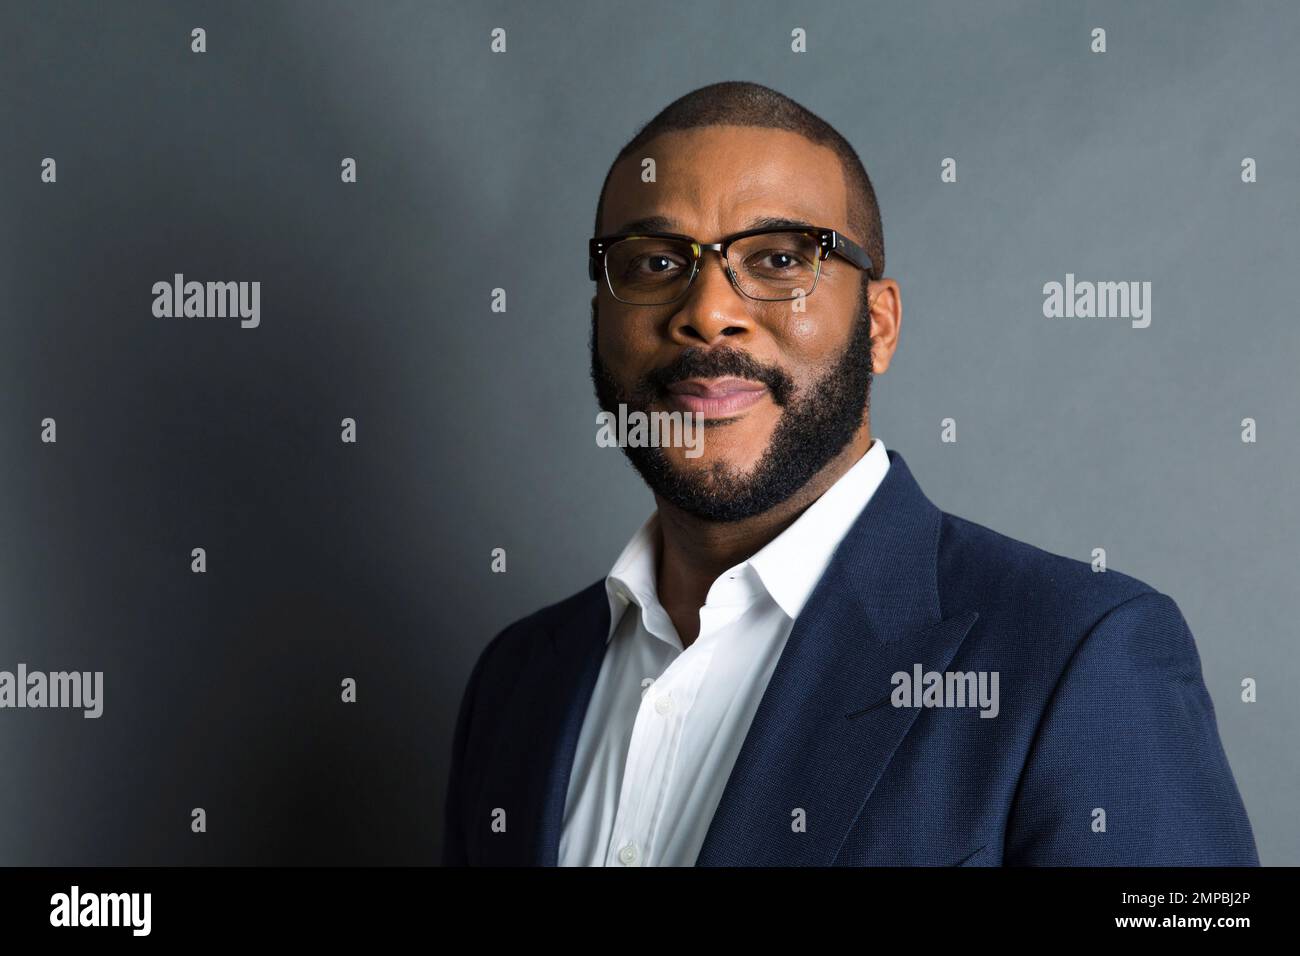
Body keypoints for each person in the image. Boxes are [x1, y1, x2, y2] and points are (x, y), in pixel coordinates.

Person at [441, 81, 1258, 866]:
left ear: (878, 326)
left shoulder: (1082, 658)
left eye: (778, 259)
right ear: (599, 321)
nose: (707, 310)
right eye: (656, 264)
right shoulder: (520, 681)